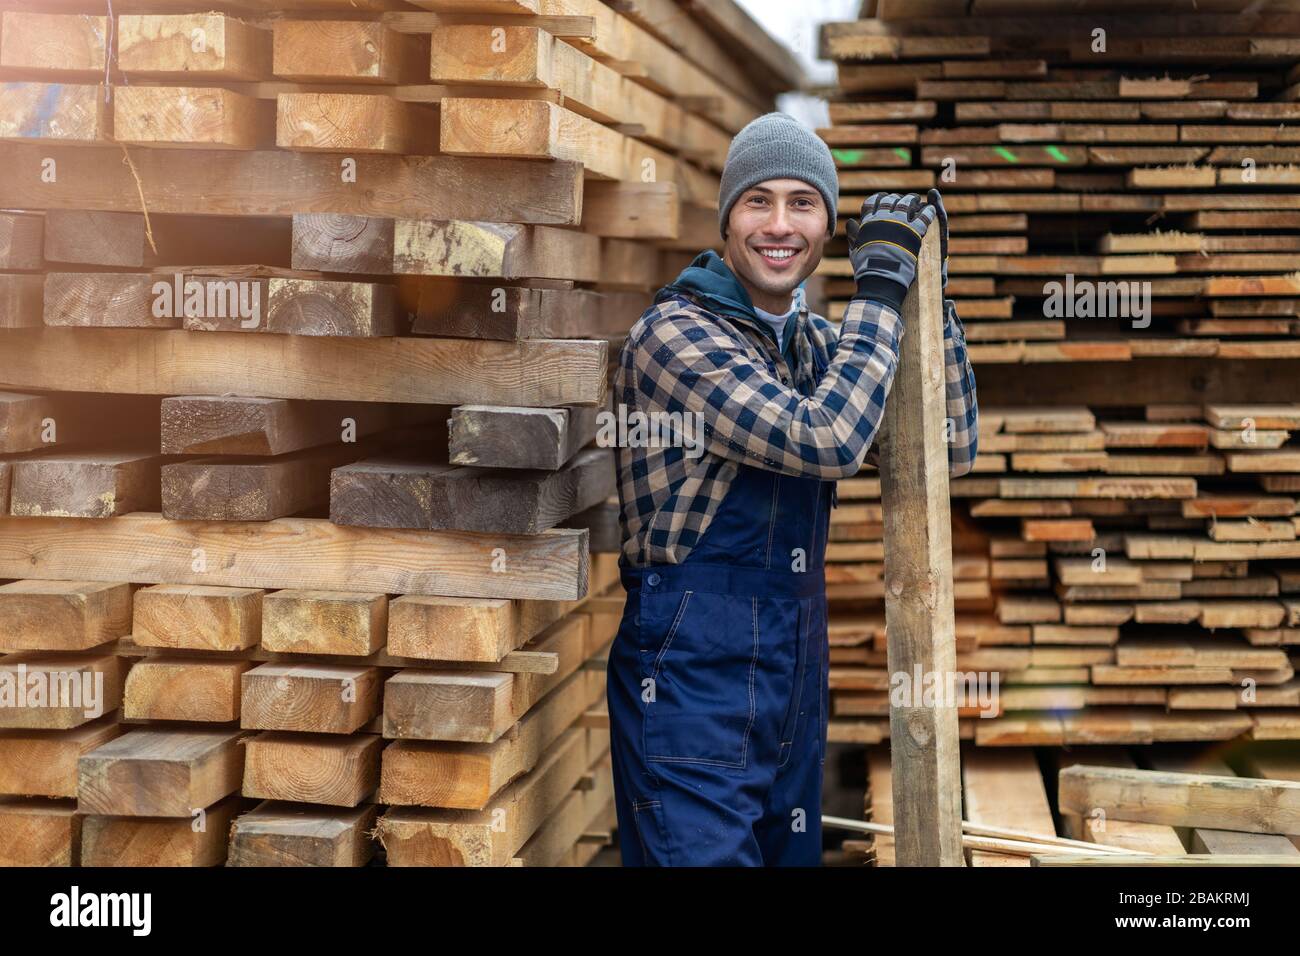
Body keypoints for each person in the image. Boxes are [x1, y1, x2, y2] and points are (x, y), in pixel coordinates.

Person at [605, 112, 978, 866]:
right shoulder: (676, 336)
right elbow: (828, 439)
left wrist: (925, 292)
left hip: (793, 682)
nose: (780, 225)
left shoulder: (812, 348)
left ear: (826, 222)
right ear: (728, 218)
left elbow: (950, 446)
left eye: (803, 203)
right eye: (758, 201)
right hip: (689, 689)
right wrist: (879, 290)